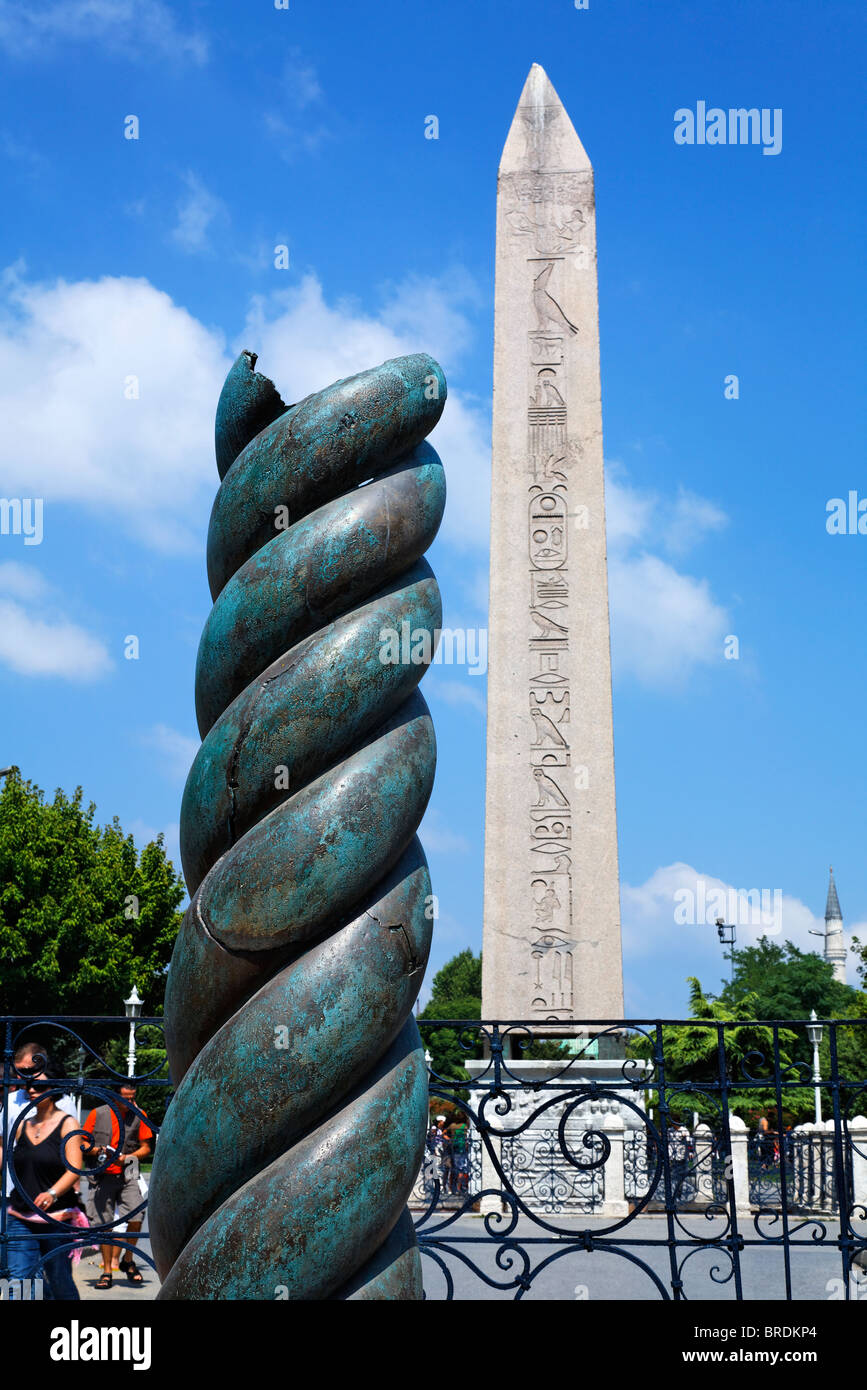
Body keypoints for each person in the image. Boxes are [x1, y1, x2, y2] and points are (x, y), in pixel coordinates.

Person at [0, 1048, 82, 1300]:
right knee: (18, 1280)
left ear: (53, 1089)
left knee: (59, 1280)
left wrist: (53, 1192)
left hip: (55, 1217)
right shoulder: (23, 1123)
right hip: (20, 1213)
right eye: (30, 1086)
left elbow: (74, 1169)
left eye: (40, 1087)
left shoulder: (68, 1122)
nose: (32, 1090)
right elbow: (4, 1150)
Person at [82, 1083, 152, 1289]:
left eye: (132, 1098)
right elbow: (83, 1144)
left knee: (137, 1216)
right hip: (102, 1174)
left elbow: (146, 1148)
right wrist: (98, 1150)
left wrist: (129, 1157)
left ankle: (127, 1260)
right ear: (114, 1097)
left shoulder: (139, 1115)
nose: (130, 1103)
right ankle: (106, 1272)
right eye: (125, 1098)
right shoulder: (98, 1113)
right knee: (104, 1225)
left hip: (129, 1172)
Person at [449, 1118, 470, 1196]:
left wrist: (449, 1140)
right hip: (462, 1150)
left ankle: (454, 1188)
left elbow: (444, 1133)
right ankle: (459, 1188)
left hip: (455, 1149)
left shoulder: (453, 1126)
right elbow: (466, 1138)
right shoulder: (464, 1126)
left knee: (455, 1169)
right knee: (461, 1170)